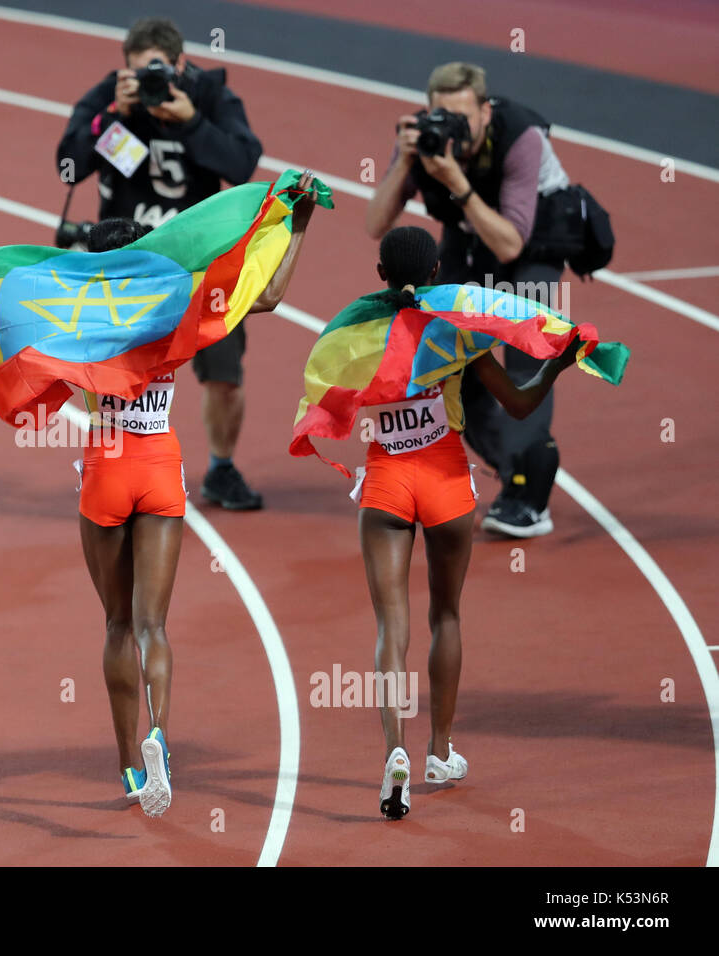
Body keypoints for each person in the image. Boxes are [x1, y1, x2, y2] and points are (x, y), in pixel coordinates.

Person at [71, 176, 316, 816]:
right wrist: (297, 224)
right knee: (154, 623)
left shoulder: (75, 315)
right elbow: (266, 296)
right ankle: (160, 740)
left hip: (105, 465)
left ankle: (130, 765)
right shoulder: (178, 308)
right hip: (159, 464)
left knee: (117, 623)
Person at [353, 228, 580, 820]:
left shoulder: (356, 335)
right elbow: (519, 405)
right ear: (436, 273)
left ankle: (393, 751)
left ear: (380, 273)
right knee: (445, 615)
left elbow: (328, 394)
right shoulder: (459, 330)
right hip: (446, 483)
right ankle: (440, 750)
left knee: (390, 628)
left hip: (385, 484)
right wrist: (558, 364)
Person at [56, 16, 268, 511]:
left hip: (197, 264)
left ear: (179, 64)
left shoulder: (211, 96)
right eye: (135, 72)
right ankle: (113, 466)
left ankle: (221, 467)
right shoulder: (111, 96)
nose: (148, 82)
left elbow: (242, 164)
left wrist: (192, 121)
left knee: (224, 372)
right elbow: (68, 164)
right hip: (125, 264)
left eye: (157, 71)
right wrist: (113, 114)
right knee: (114, 372)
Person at [365, 62, 574, 538]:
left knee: (526, 358)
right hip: (468, 237)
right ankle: (517, 469)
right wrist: (404, 161)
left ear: (485, 110)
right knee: (447, 354)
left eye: (462, 117)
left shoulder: (521, 139)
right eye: (443, 116)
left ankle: (529, 500)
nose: (452, 127)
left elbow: (509, 245)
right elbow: (376, 224)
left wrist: (456, 182)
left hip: (534, 244)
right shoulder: (427, 140)